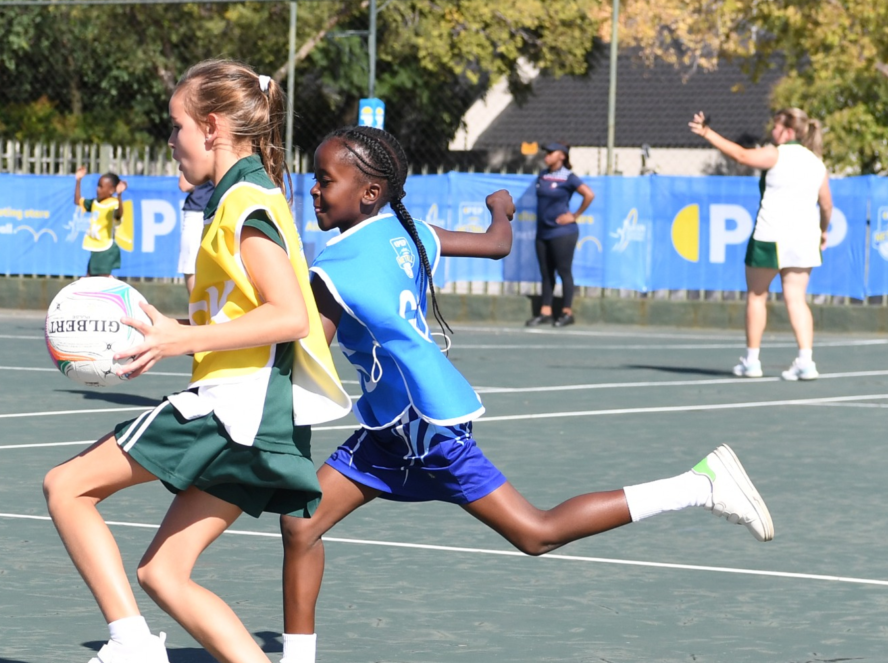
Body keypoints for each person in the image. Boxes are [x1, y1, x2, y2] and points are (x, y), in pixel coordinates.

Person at [278, 126, 774, 663]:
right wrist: (501, 209)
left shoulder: (334, 269)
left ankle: (699, 484)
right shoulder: (409, 231)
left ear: (369, 192)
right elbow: (496, 245)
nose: (313, 189)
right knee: (302, 525)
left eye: (325, 180)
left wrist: (203, 343)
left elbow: (298, 350)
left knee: (536, 533)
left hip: (425, 429)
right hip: (391, 429)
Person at [43, 59, 351, 663]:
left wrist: (176, 342)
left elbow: (291, 315)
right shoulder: (239, 197)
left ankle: (130, 644)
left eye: (175, 126)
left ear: (211, 127)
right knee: (164, 573)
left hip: (234, 409)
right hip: (259, 418)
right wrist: (171, 331)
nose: (170, 141)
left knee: (66, 487)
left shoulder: (244, 204)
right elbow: (246, 319)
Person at [689, 108, 832, 381]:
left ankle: (752, 361)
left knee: (757, 295)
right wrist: (822, 232)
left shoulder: (776, 153)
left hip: (771, 236)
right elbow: (826, 205)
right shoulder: (816, 163)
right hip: (804, 239)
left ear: (789, 131)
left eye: (777, 126)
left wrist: (707, 132)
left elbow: (741, 155)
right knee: (797, 299)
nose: (772, 131)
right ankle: (806, 361)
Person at [525, 141, 594, 328]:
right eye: (545, 152)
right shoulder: (542, 175)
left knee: (564, 271)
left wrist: (574, 215)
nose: (546, 155)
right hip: (543, 232)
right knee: (546, 274)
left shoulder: (569, 178)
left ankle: (566, 312)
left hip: (563, 233)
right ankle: (545, 311)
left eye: (551, 152)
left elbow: (589, 194)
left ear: (562, 156)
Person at [74, 166, 127, 277]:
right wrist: (78, 180)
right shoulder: (95, 202)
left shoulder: (113, 203)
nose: (97, 189)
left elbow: (119, 214)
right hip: (96, 247)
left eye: (100, 186)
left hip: (106, 248)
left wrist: (119, 195)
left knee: (101, 280)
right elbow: (77, 201)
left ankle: (114, 291)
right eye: (97, 186)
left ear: (111, 190)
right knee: (89, 278)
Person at [177, 171, 215, 293]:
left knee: (191, 263)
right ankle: (199, 309)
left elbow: (184, 185)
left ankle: (198, 309)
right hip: (209, 209)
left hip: (201, 212)